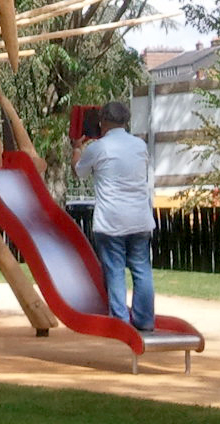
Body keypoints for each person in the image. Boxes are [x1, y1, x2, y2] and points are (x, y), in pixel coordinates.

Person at [72, 99, 156, 331]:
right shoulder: (139, 145)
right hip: (140, 219)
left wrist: (77, 148)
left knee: (115, 271)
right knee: (142, 269)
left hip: (111, 221)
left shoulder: (98, 148)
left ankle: (120, 321)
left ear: (102, 122)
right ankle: (145, 320)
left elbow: (79, 172)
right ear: (126, 121)